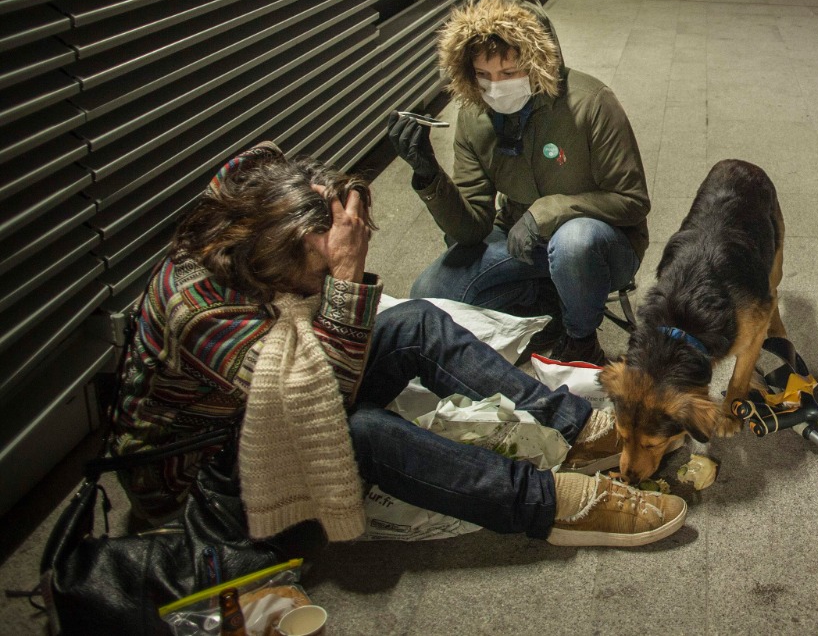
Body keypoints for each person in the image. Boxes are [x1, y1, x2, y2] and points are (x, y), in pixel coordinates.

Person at [113, 143, 684, 547]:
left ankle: (579, 429)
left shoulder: (248, 206)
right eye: (316, 274)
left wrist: (346, 196)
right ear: (271, 260)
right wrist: (346, 276)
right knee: (360, 431)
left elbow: (259, 161)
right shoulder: (199, 310)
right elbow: (319, 402)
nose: (323, 285)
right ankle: (553, 505)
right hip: (201, 482)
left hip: (270, 401)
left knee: (415, 320)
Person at [390, 0, 649, 365]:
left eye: (509, 72)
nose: (496, 86)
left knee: (573, 241)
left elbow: (633, 201)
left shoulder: (592, 103)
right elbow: (470, 230)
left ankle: (581, 339)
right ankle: (547, 302)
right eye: (483, 75)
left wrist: (548, 212)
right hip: (519, 239)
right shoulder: (474, 117)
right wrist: (430, 177)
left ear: (538, 61)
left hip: (601, 243)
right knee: (428, 294)